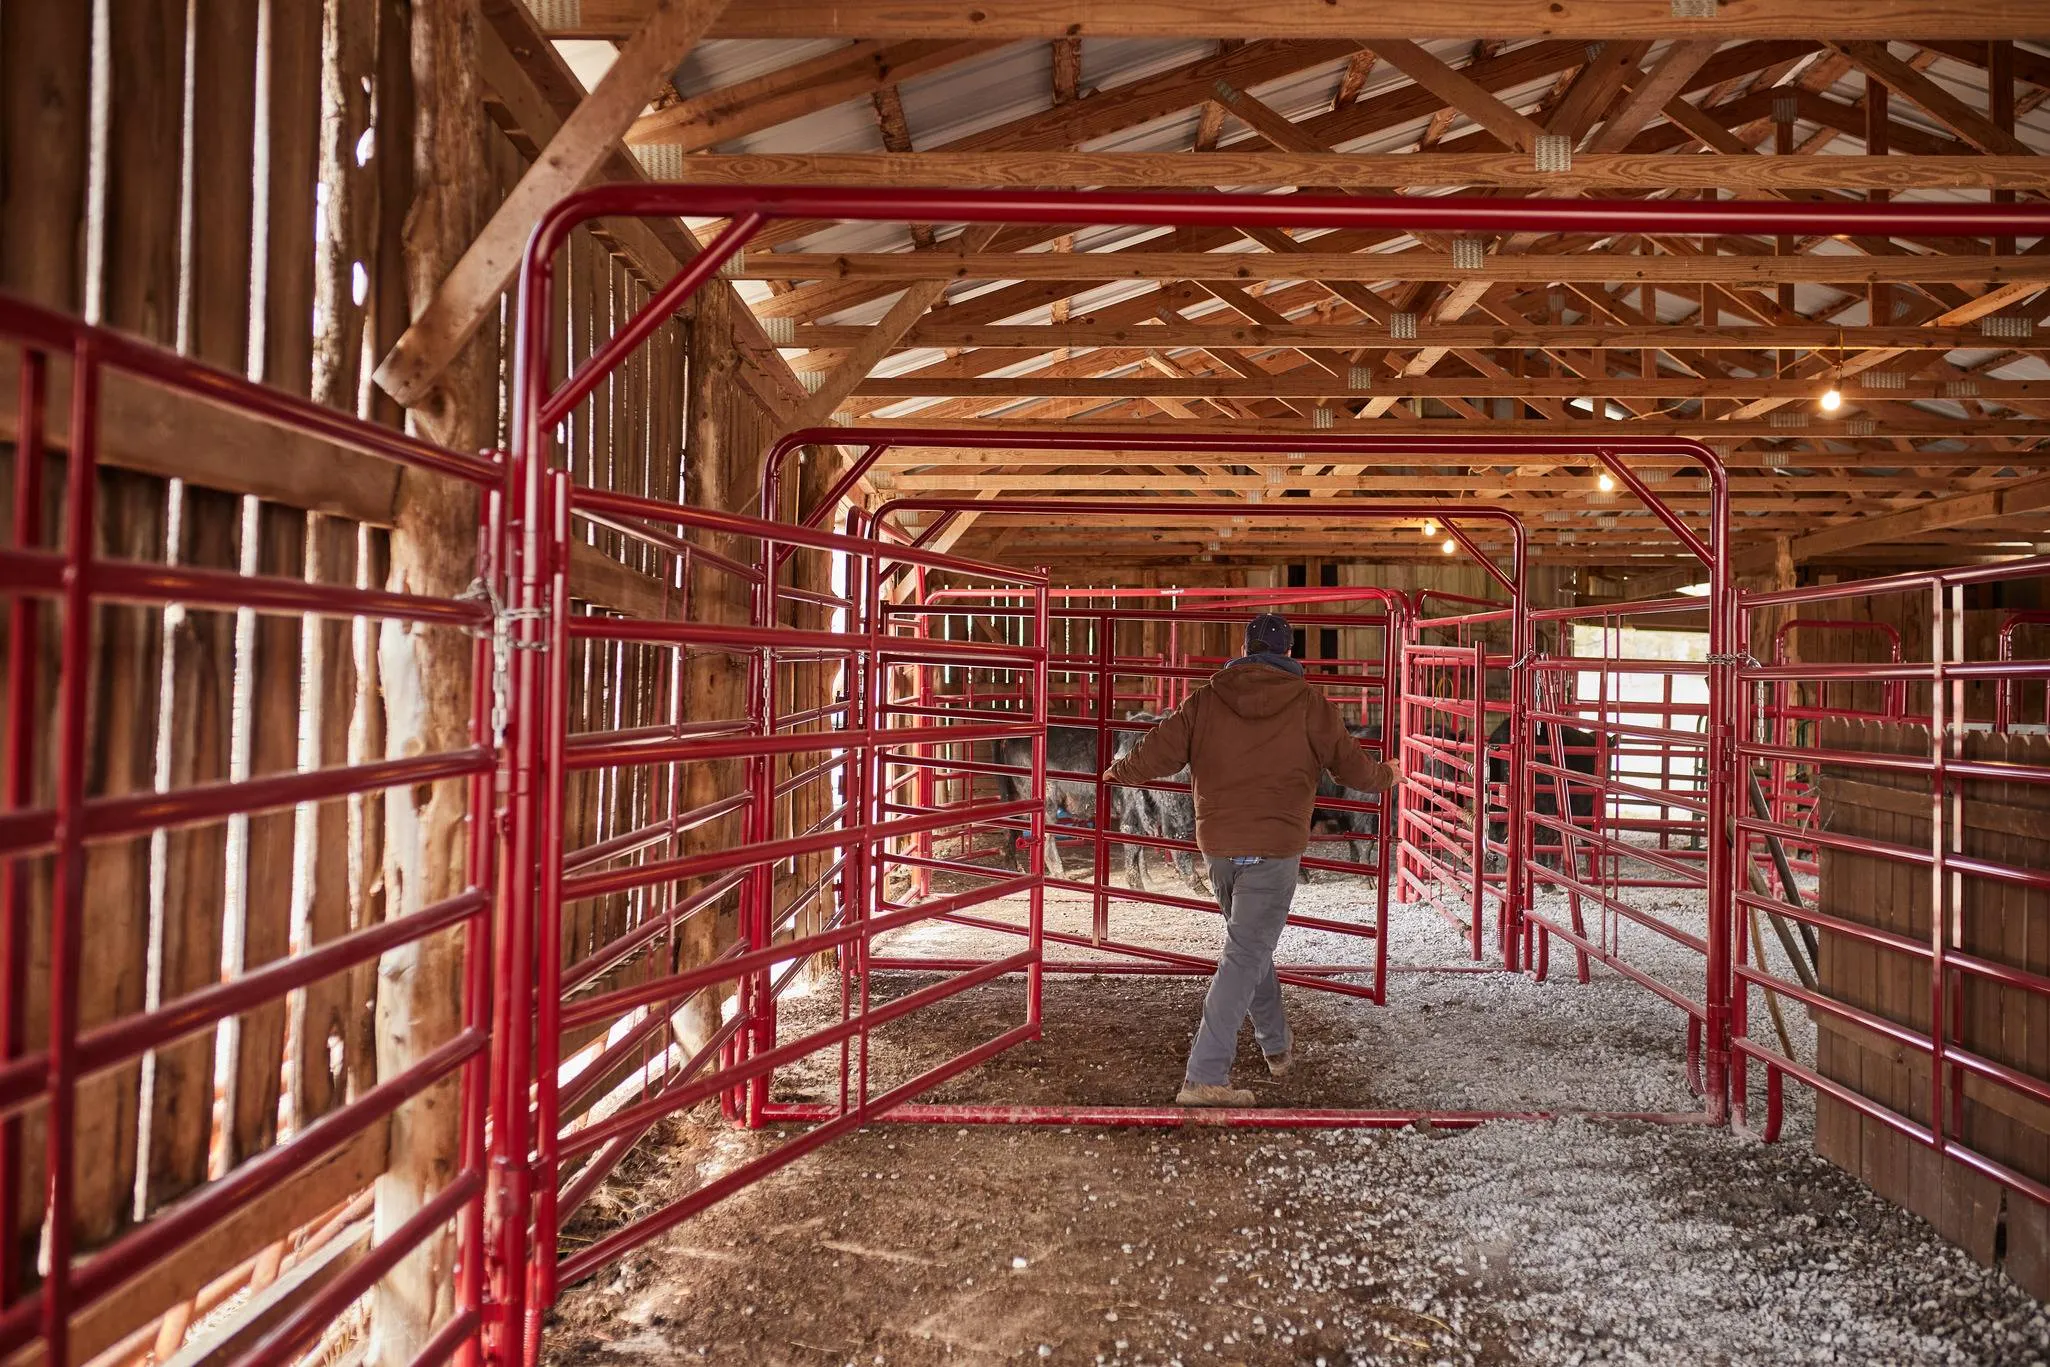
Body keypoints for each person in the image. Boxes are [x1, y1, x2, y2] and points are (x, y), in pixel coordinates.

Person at [1103, 612, 1397, 1107]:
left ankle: (1276, 1045)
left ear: (1244, 648)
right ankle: (1205, 1075)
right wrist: (1388, 775)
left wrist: (1119, 771)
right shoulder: (1309, 704)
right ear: (1288, 653)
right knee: (1243, 955)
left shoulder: (1207, 699)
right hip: (1276, 848)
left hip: (1218, 847)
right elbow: (1353, 769)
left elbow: (1158, 750)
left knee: (1249, 945)